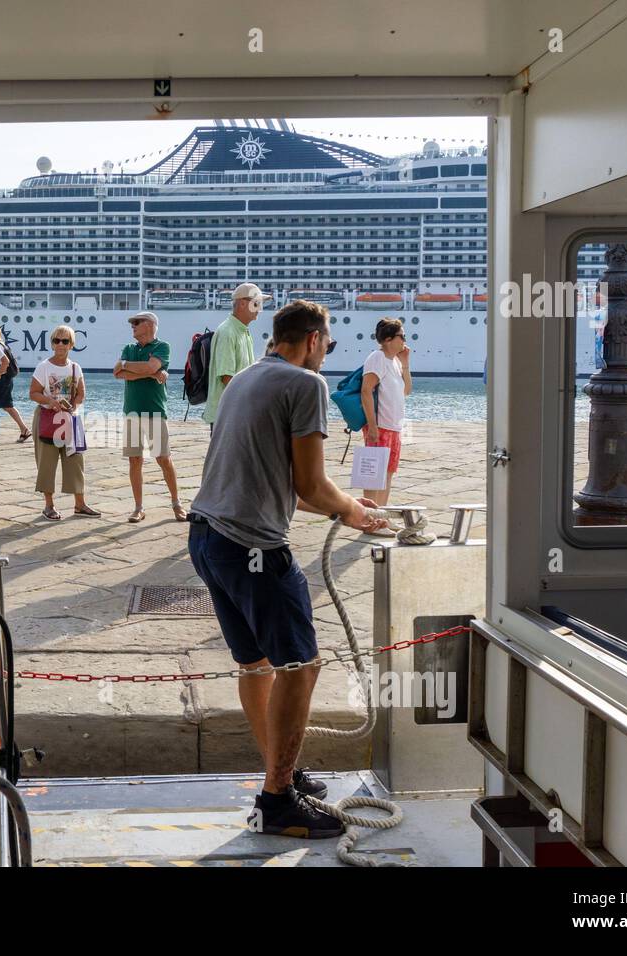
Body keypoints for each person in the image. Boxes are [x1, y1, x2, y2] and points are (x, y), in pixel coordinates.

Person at [187, 300, 386, 839]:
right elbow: (311, 487)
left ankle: (285, 773)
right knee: (302, 665)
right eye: (328, 346)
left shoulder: (246, 378)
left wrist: (338, 504)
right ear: (316, 340)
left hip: (206, 536)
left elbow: (274, 477)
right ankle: (277, 799)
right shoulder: (307, 386)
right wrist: (357, 510)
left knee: (255, 664)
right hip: (252, 546)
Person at [113, 311, 184, 523]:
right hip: (131, 411)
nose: (132, 326)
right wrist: (152, 373)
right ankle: (138, 507)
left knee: (163, 458)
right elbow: (117, 373)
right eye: (132, 323)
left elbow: (149, 366)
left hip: (155, 410)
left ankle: (176, 503)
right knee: (135, 460)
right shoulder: (129, 348)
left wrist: (132, 367)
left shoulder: (162, 347)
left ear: (151, 325)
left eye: (137, 322)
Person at [30, 325, 100, 520]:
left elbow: (81, 393)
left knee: (76, 462)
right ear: (52, 343)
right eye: (56, 340)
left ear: (72, 344)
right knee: (47, 463)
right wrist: (51, 401)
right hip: (47, 418)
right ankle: (49, 506)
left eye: (65, 341)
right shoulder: (43, 366)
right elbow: (33, 393)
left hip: (70, 420)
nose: (60, 344)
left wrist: (74, 406)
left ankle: (80, 504)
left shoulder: (75, 368)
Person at [359, 317, 412, 523]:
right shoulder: (377, 357)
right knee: (374, 476)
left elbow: (406, 391)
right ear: (389, 339)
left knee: (388, 473)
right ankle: (370, 519)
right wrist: (372, 426)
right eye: (402, 336)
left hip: (394, 426)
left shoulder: (396, 362)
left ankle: (382, 518)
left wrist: (406, 364)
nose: (405, 341)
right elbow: (366, 390)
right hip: (380, 425)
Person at [202, 281, 270, 427]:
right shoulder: (228, 332)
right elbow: (227, 377)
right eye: (256, 303)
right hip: (228, 415)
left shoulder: (242, 330)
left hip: (237, 412)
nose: (260, 309)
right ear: (242, 304)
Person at [0, 325, 31, 442]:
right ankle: (23, 430)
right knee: (4, 406)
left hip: (0, 380)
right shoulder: (1, 344)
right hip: (4, 379)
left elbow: (5, 362)